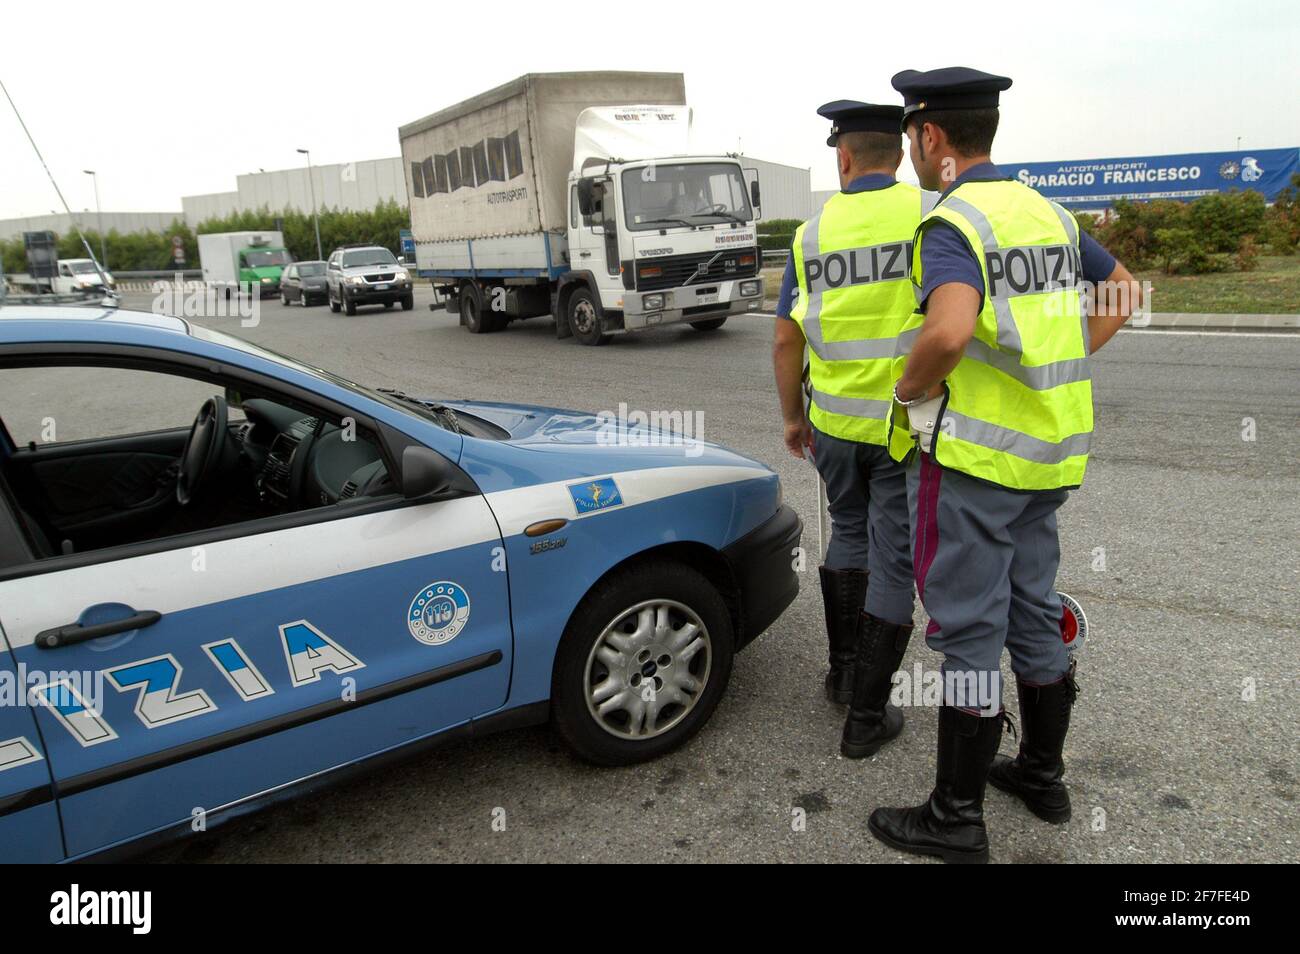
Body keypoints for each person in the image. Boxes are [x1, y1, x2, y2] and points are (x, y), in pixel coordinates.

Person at [867, 67, 1140, 864]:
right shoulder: (1045, 212)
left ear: (930, 137)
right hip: (1050, 454)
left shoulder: (955, 223)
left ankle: (955, 816)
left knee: (970, 629)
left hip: (981, 461)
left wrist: (909, 386)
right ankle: (1043, 777)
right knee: (1032, 604)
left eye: (916, 138)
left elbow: (949, 332)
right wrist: (1051, 367)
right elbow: (1121, 292)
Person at [772, 100, 924, 758]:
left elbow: (785, 339)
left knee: (848, 534)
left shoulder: (811, 235)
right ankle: (869, 694)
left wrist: (791, 417)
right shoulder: (931, 217)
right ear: (901, 152)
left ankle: (841, 672)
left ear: (844, 156)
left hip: (832, 427)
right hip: (901, 428)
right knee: (892, 555)